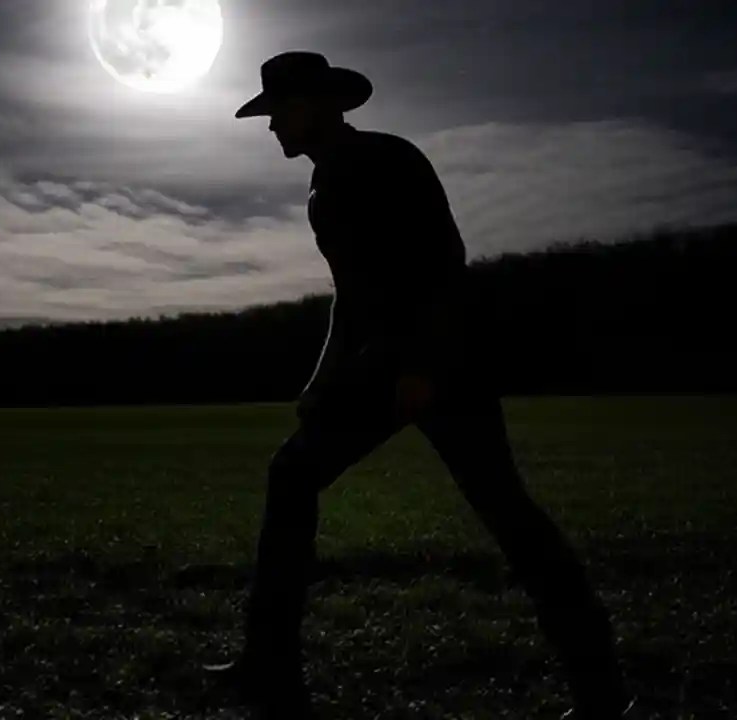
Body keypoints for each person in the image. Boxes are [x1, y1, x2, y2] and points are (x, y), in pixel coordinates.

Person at [203, 51, 634, 719]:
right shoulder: (324, 190)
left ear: (313, 106)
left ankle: (599, 684)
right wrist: (323, 381)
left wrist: (423, 367)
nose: (270, 129)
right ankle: (268, 663)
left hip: (441, 363)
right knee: (293, 475)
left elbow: (442, 264)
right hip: (383, 365)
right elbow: (350, 298)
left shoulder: (386, 160)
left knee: (507, 513)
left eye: (277, 113)